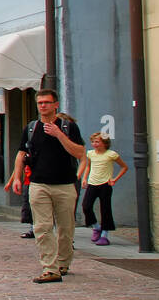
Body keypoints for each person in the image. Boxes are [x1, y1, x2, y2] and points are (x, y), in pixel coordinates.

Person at [13, 89, 86, 283]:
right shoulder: (31, 128)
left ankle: (63, 263)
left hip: (65, 185)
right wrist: (17, 177)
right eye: (40, 103)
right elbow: (21, 153)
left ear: (56, 105)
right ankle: (50, 268)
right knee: (42, 227)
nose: (43, 106)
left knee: (66, 229)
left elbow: (80, 153)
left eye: (47, 102)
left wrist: (59, 135)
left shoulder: (68, 127)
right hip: (38, 184)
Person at [79, 132, 127, 246]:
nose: (94, 144)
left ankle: (104, 235)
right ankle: (96, 227)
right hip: (92, 183)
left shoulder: (111, 154)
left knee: (105, 209)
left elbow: (124, 167)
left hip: (105, 184)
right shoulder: (90, 153)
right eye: (93, 142)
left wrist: (115, 179)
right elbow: (88, 166)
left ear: (104, 143)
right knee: (86, 206)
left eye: (97, 142)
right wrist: (85, 178)